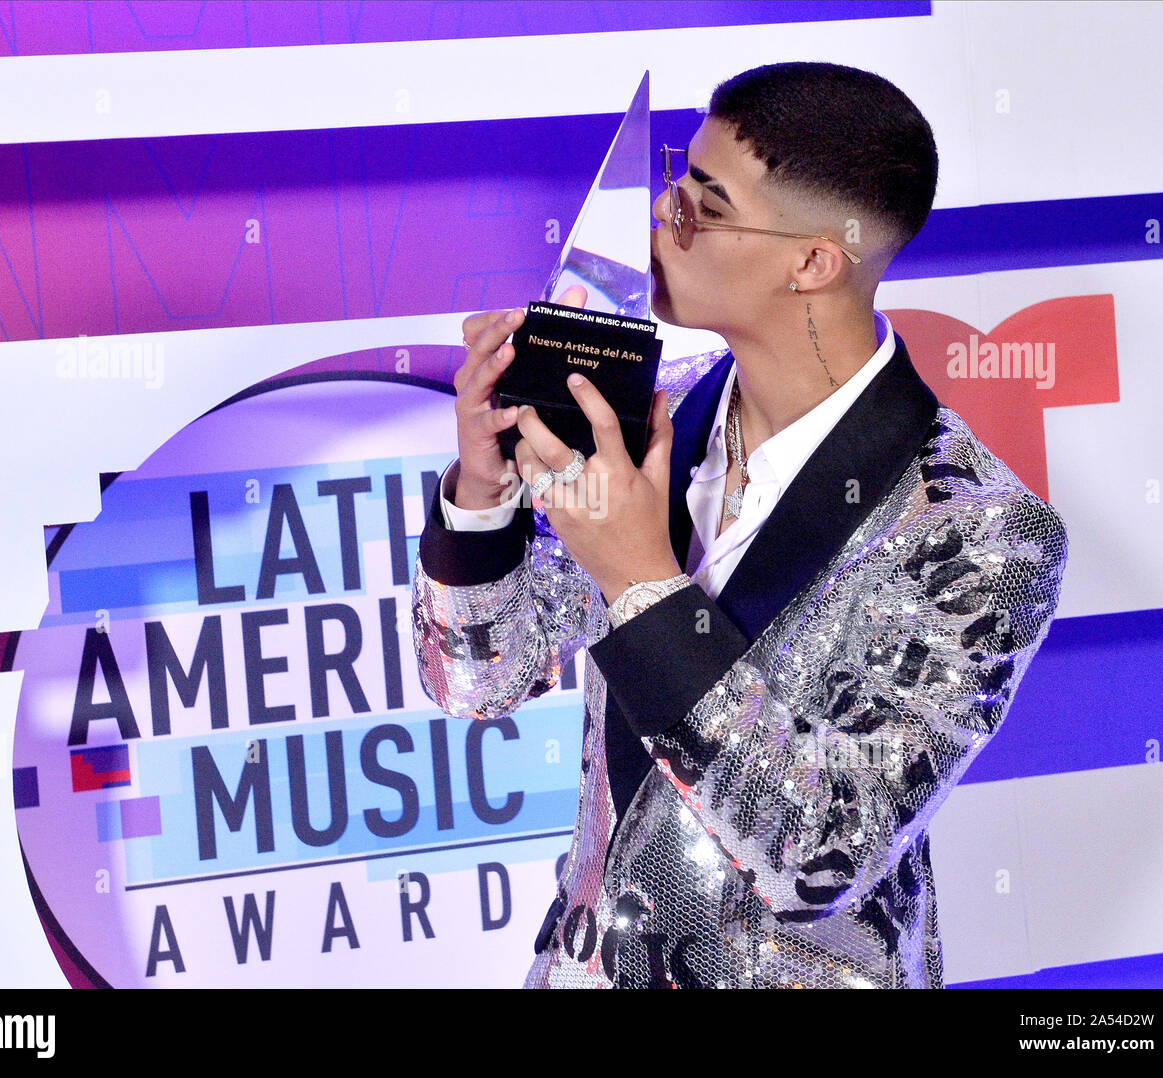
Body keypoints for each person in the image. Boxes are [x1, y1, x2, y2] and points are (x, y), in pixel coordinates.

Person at [409, 61, 1068, 988]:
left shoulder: (980, 533)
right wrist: (481, 499)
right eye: (677, 182)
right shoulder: (649, 423)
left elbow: (819, 855)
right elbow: (477, 681)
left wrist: (642, 579)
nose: (661, 221)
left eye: (701, 206)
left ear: (813, 260)